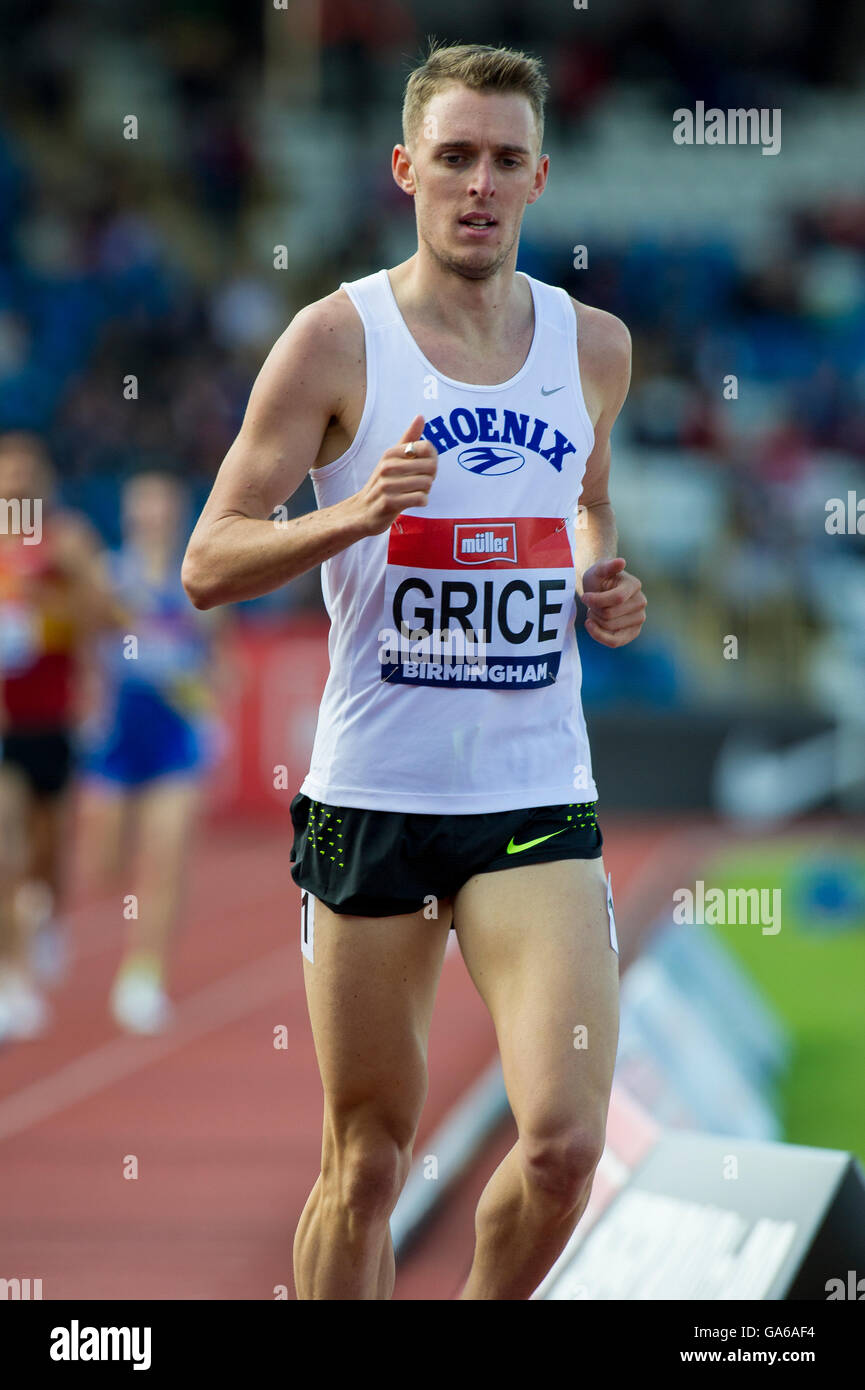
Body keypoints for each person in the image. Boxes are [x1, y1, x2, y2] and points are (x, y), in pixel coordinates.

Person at [182, 41, 647, 1300]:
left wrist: (602, 579)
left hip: (532, 795)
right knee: (367, 1163)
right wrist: (349, 515)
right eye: (454, 157)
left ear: (540, 175)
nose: (478, 184)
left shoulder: (592, 346)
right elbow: (208, 562)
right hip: (376, 800)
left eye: (505, 160)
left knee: (561, 1144)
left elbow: (589, 506)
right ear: (405, 169)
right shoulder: (334, 342)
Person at [80, 469, 229, 1035]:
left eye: (163, 506)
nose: (153, 516)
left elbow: (222, 656)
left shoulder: (198, 573)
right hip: (118, 733)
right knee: (106, 864)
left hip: (175, 738)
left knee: (164, 859)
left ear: (177, 511)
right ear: (129, 513)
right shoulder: (106, 573)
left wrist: (213, 709)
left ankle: (144, 975)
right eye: (143, 506)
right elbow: (86, 643)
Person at [0, 431, 116, 1039]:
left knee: (47, 855)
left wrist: (67, 583)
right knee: (5, 853)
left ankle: (44, 918)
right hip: (5, 724)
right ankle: (10, 980)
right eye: (6, 476)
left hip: (55, 720)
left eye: (25, 476)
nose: (15, 486)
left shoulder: (67, 540)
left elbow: (101, 621)